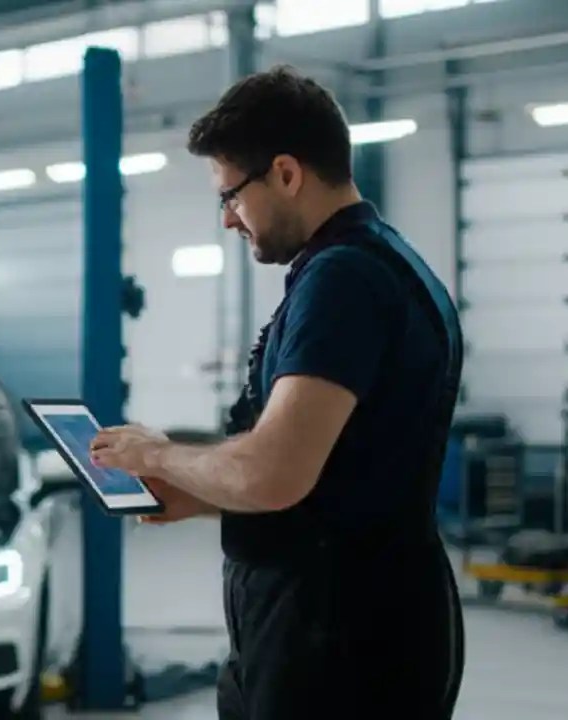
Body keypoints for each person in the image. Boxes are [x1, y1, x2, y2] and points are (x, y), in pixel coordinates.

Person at [89, 65, 465, 720]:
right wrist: (201, 493)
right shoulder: (386, 262)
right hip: (366, 622)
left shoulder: (343, 281)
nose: (228, 220)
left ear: (287, 174)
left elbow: (274, 474)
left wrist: (155, 454)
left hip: (337, 646)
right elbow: (339, 476)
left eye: (232, 196)